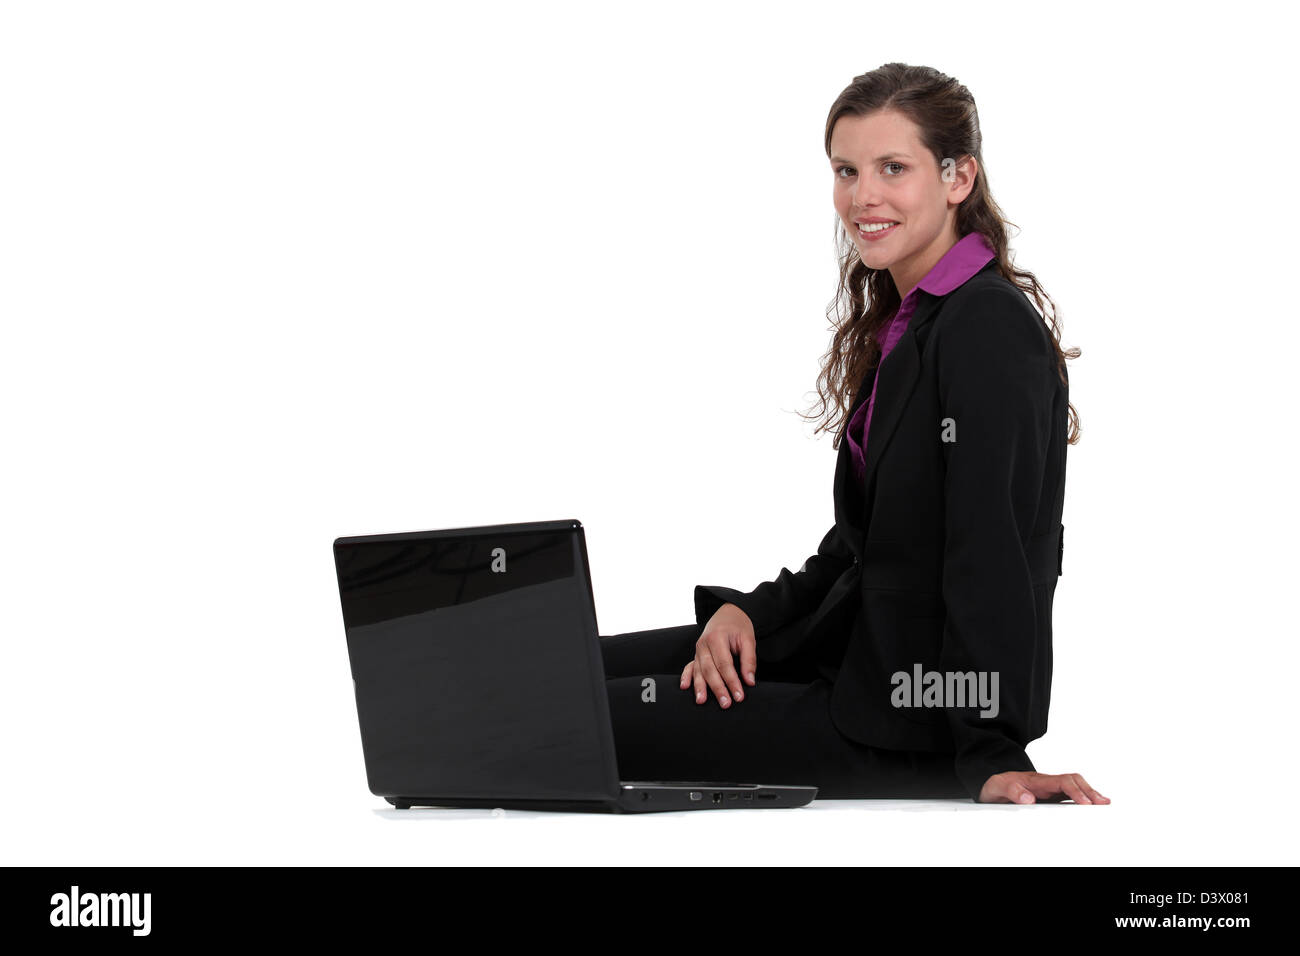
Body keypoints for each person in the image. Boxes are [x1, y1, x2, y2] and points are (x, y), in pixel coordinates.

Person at [600, 63, 1109, 806]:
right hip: (847, 658)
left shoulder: (985, 326)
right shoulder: (918, 323)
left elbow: (989, 547)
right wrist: (750, 612)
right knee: (562, 671)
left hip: (905, 714)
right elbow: (865, 546)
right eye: (846, 170)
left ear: (958, 177)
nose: (861, 196)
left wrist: (989, 748)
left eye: (892, 168)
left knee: (567, 716)